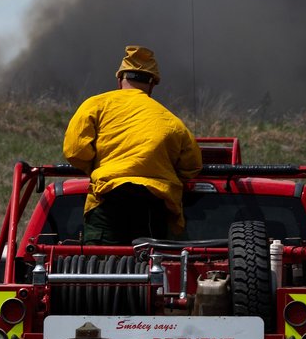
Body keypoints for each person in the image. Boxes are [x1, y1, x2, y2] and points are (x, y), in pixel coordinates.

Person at [63, 45, 202, 245]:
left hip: (107, 204)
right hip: (152, 209)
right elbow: (192, 166)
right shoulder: (172, 122)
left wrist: (96, 168)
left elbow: (75, 151)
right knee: (151, 269)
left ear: (119, 80)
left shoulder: (95, 105)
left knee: (98, 268)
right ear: (152, 85)